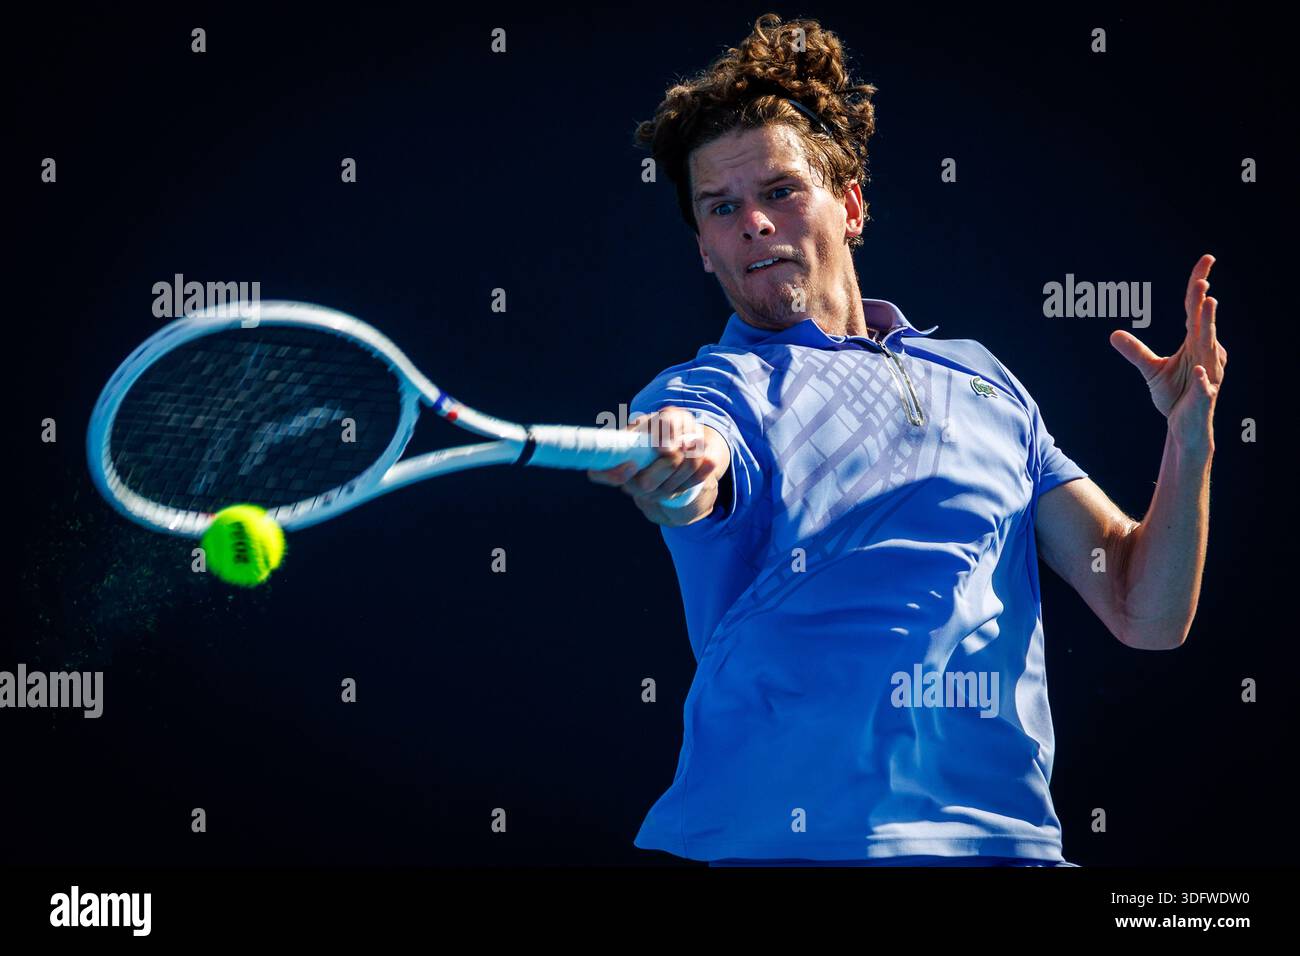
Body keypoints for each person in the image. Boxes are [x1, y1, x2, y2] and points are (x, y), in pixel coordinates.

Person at [588, 13, 1225, 866]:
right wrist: (679, 463)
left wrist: (1190, 442)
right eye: (722, 208)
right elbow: (696, 466)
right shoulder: (712, 391)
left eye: (781, 191)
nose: (754, 224)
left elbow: (1146, 611)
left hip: (1010, 848)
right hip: (777, 850)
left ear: (850, 206)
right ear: (704, 247)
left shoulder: (983, 380)